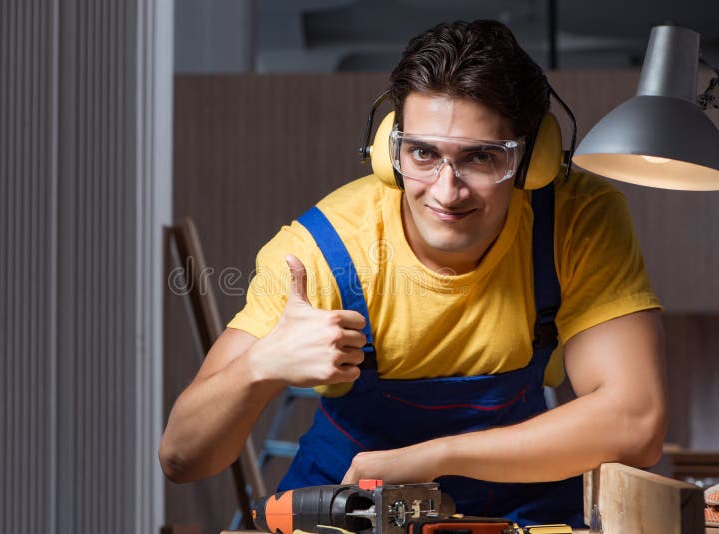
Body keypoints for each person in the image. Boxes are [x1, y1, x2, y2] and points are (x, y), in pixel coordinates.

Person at [158, 20, 667, 527]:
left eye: (481, 157)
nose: (446, 192)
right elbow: (181, 457)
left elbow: (637, 421)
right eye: (423, 153)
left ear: (535, 159)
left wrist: (429, 459)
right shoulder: (322, 252)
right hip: (348, 502)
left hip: (523, 501)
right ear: (388, 152)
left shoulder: (573, 221)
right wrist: (260, 366)